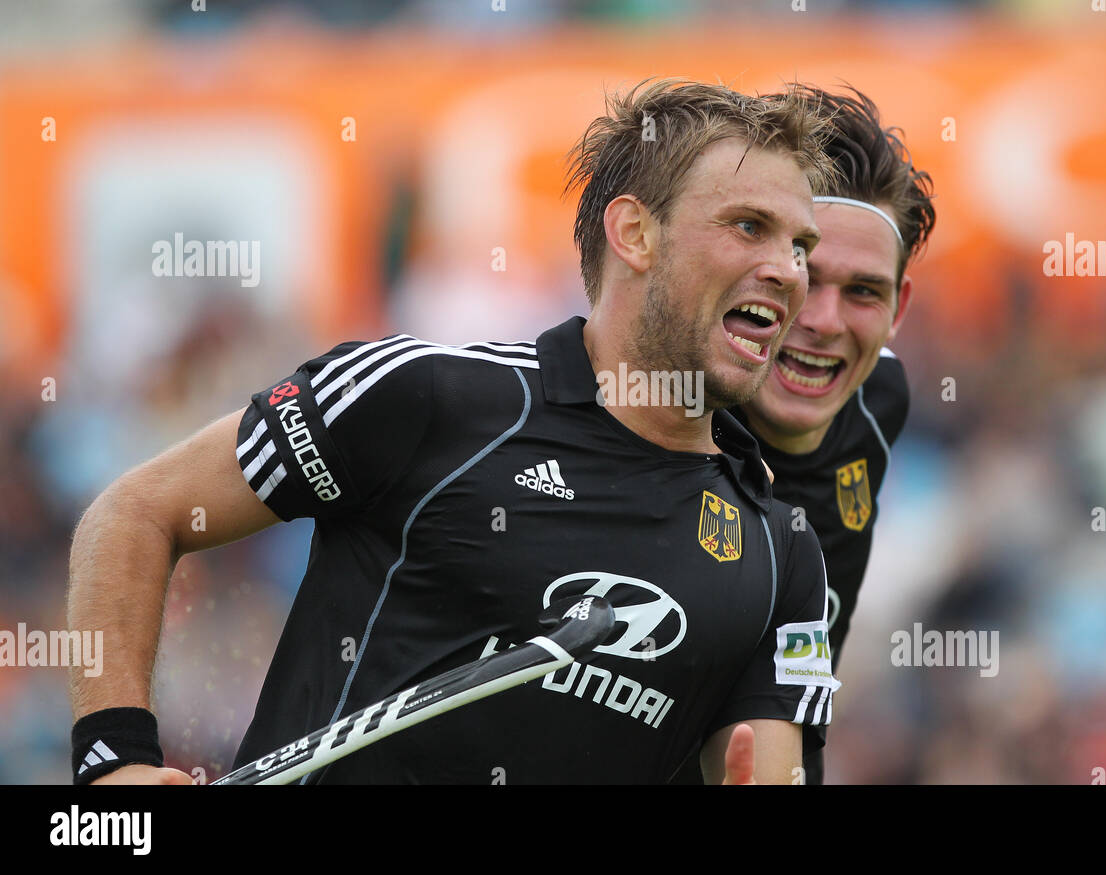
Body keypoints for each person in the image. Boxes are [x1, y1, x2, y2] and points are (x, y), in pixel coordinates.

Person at [66, 79, 843, 785]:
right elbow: (135, 513)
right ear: (635, 234)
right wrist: (115, 763)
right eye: (749, 227)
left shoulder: (778, 553)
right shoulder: (425, 396)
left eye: (801, 246)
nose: (790, 271)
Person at [736, 84, 935, 784]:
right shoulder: (663, 420)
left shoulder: (881, 401)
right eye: (803, 275)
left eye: (862, 291)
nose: (823, 318)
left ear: (897, 307)